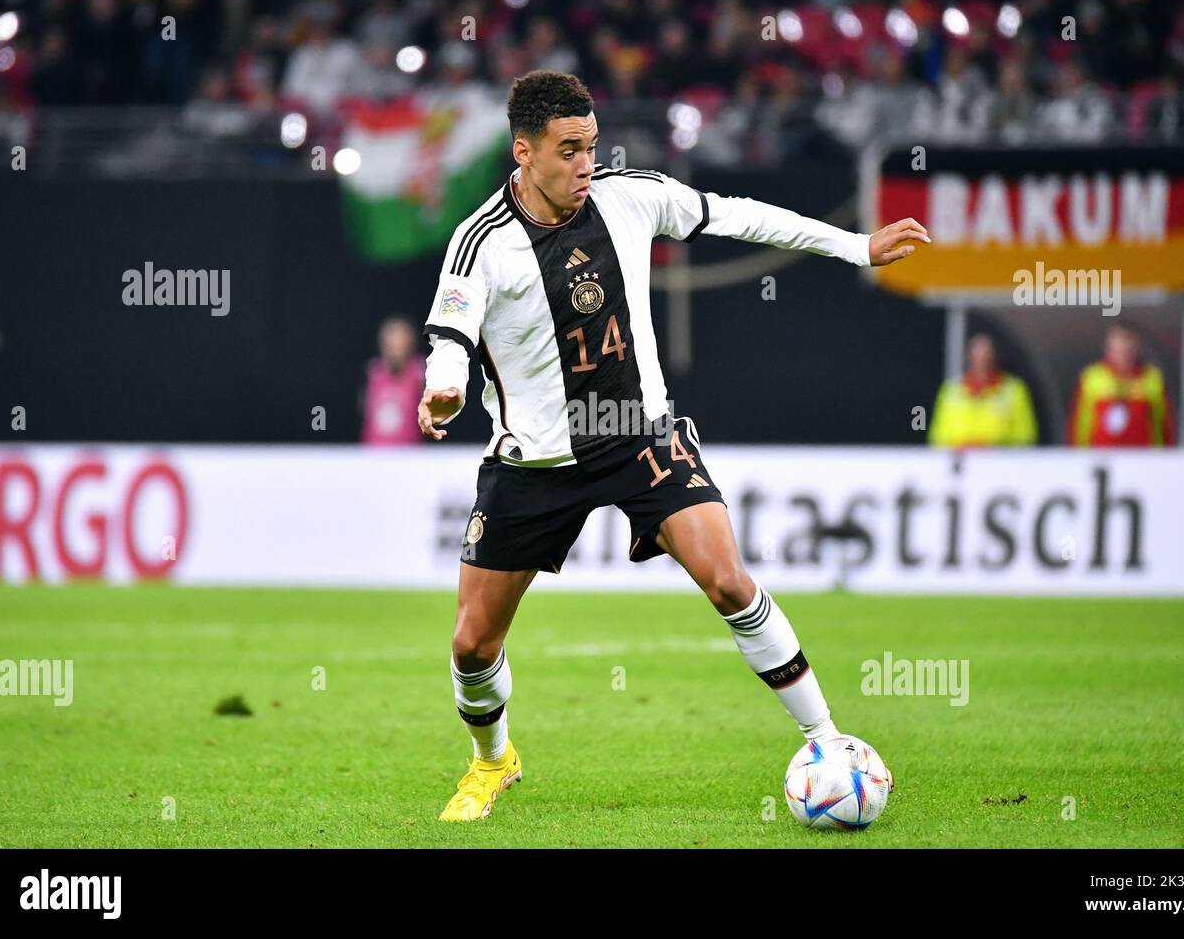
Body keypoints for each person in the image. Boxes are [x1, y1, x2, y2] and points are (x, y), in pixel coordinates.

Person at [417, 70, 928, 822]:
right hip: (537, 463)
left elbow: (738, 217)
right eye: (568, 150)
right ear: (523, 152)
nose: (586, 163)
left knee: (728, 581)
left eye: (591, 145)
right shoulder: (481, 242)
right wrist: (446, 385)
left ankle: (829, 741)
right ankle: (494, 761)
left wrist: (854, 245)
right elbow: (451, 333)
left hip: (638, 437)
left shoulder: (629, 196)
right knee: (469, 644)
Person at [1068, 322, 1175, 446]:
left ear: (1137, 346)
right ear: (1108, 346)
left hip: (1143, 459)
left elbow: (1164, 426)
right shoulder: (1091, 377)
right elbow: (1079, 424)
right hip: (1103, 458)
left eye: (1128, 343)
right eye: (1119, 344)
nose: (1124, 350)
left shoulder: (1153, 378)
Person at [928, 333, 1038, 447]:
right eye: (977, 353)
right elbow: (937, 436)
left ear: (995, 356)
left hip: (998, 462)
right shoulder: (951, 389)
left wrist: (991, 447)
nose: (981, 358)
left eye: (986, 353)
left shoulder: (1014, 390)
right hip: (959, 461)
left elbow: (1025, 437)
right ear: (969, 356)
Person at [361, 317, 424, 445]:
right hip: (374, 450)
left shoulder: (419, 372)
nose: (396, 345)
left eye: (400, 340)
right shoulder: (373, 371)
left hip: (411, 452)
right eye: (391, 340)